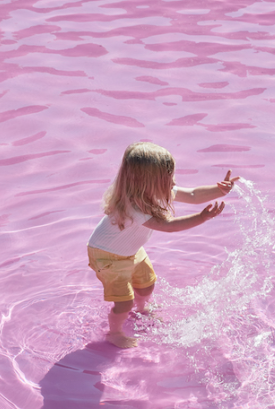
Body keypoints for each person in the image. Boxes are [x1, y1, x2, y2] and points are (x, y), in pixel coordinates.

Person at [87, 142, 239, 348]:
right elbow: (168, 226)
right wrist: (202, 217)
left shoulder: (155, 192)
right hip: (107, 256)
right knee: (124, 302)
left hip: (130, 250)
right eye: (168, 177)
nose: (173, 181)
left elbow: (193, 194)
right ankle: (114, 332)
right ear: (148, 182)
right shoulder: (134, 207)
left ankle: (142, 310)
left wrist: (219, 190)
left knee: (147, 284)